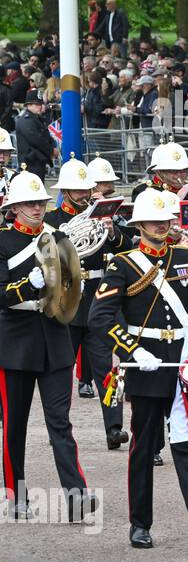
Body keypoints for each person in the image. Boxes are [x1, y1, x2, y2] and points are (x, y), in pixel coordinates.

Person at [87, 188, 188, 552]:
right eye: (154, 220)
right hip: (147, 365)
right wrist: (132, 349)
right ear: (140, 224)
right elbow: (99, 317)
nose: (161, 225)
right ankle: (140, 523)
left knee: (186, 446)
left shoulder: (185, 255)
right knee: (143, 445)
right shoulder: (123, 264)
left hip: (182, 363)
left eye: (166, 219)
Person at [0, 171, 97, 521]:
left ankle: (76, 497)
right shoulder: (3, 242)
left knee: (60, 422)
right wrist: (29, 284)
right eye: (30, 203)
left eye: (41, 202)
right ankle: (16, 494)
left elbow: (71, 283)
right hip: (15, 341)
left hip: (54, 336)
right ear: (14, 208)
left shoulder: (57, 237)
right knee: (15, 425)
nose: (38, 208)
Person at [45, 158, 132, 450]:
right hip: (66, 303)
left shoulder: (101, 215)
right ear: (65, 191)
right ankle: (58, 427)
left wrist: (112, 229)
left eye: (87, 189)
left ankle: (115, 427)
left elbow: (125, 249)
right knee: (59, 371)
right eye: (78, 190)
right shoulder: (53, 220)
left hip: (96, 301)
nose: (85, 195)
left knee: (108, 371)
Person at [13, 93, 54, 181]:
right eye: (37, 104)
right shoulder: (26, 120)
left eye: (40, 104)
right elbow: (36, 140)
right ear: (29, 105)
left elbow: (45, 136)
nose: (40, 106)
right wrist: (51, 150)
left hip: (36, 161)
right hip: (30, 163)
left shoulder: (35, 119)